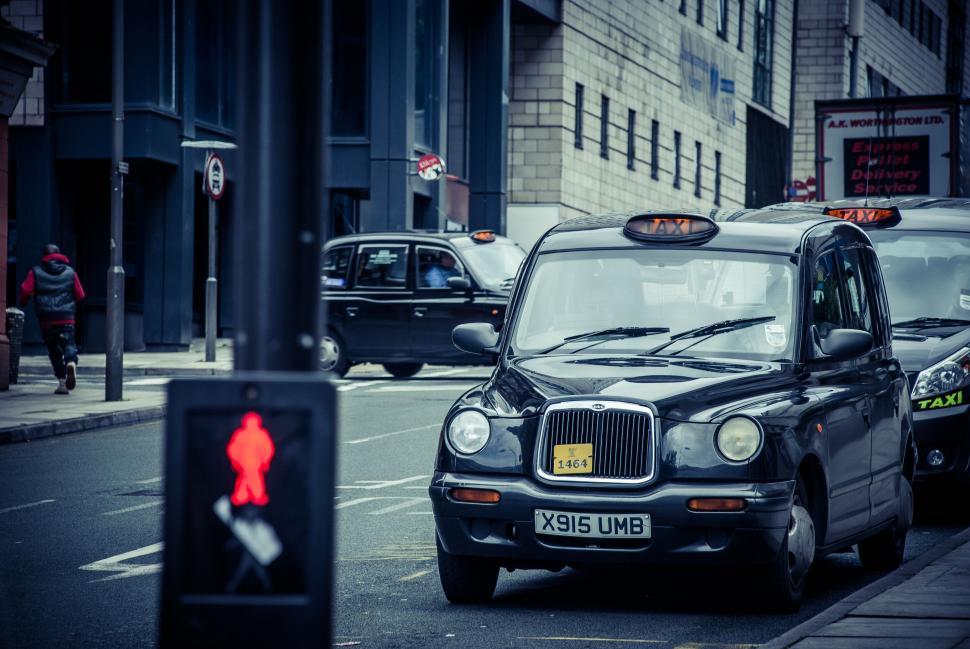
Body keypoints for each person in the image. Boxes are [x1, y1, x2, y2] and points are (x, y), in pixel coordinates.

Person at [19, 244, 86, 394]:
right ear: (59, 254)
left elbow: (25, 290)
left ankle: (62, 383)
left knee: (54, 350)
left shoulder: (35, 272)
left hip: (46, 319)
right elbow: (80, 295)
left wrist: (23, 302)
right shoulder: (70, 272)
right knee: (68, 344)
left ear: (44, 256)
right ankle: (70, 362)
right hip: (66, 318)